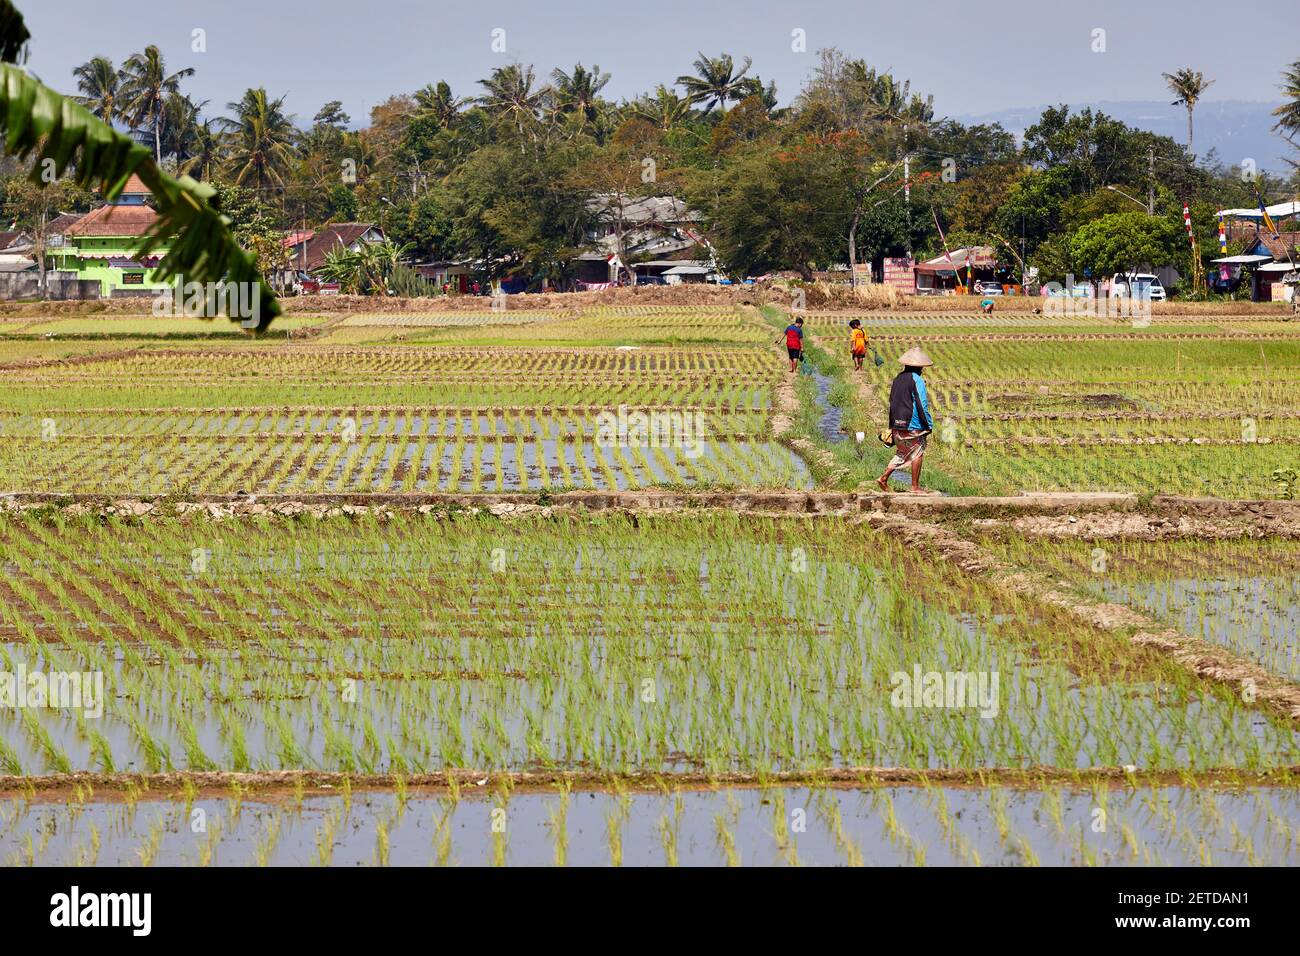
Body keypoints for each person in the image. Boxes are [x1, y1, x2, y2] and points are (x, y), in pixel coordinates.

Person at [877, 347, 938, 495]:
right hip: (913, 424)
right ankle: (915, 487)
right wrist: (928, 424)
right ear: (921, 367)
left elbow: (892, 401)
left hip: (897, 423)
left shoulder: (897, 378)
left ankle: (884, 477)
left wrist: (892, 425)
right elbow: (921, 403)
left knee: (902, 451)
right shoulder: (917, 380)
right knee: (918, 452)